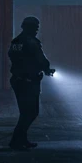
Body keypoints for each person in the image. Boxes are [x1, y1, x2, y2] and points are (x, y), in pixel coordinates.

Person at [8, 16, 55, 150]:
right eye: (35, 28)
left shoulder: (16, 41)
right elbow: (41, 59)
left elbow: (12, 56)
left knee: (25, 112)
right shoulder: (31, 42)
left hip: (18, 79)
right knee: (31, 112)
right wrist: (46, 68)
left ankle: (21, 140)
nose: (36, 30)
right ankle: (16, 140)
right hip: (29, 81)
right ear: (31, 28)